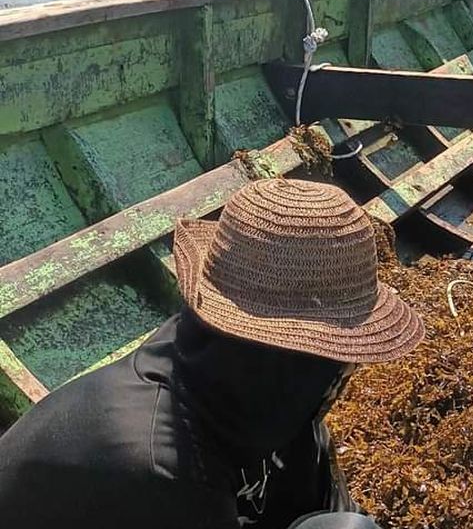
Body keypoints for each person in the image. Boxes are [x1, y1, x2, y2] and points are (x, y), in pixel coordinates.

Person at [0, 179, 425, 529]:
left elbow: (312, 493)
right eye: (337, 354)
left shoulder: (228, 368)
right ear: (288, 355)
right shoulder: (160, 466)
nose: (343, 371)